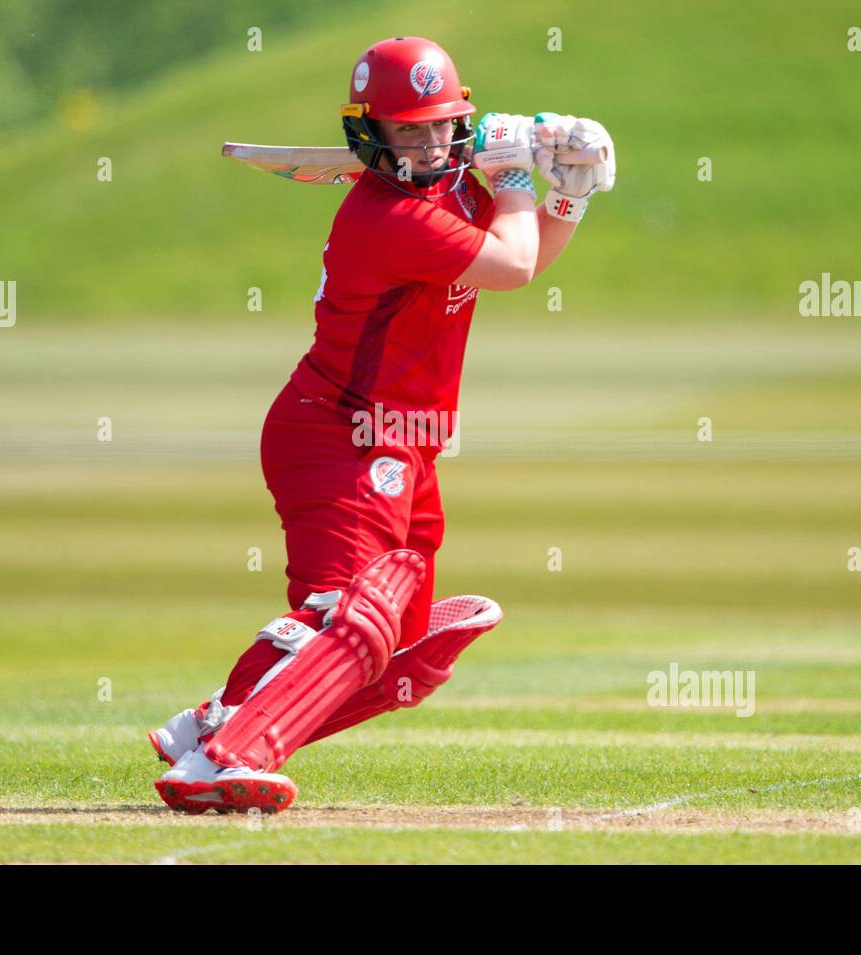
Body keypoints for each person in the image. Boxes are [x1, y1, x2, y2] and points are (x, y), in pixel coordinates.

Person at [151, 36, 615, 814]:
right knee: (355, 614)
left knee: (405, 654)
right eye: (410, 131)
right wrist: (508, 173)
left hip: (404, 440)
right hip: (339, 433)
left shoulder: (452, 191)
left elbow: (525, 251)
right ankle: (225, 759)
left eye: (443, 125)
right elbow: (511, 263)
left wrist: (567, 189)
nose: (431, 143)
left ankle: (215, 720)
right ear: (372, 136)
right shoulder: (387, 216)